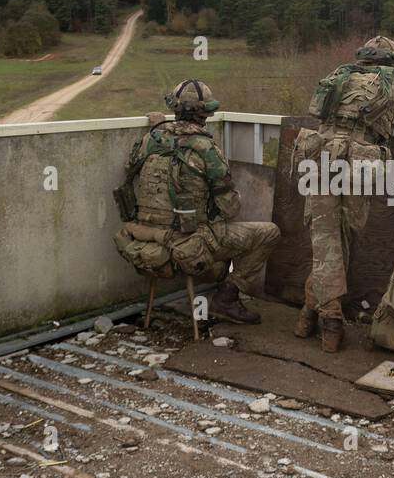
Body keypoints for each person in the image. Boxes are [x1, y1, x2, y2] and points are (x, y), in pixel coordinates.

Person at [294, 36, 394, 352]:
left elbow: (318, 110)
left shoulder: (338, 74)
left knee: (327, 236)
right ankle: (331, 319)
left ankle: (309, 311)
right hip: (360, 158)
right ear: (393, 59)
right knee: (339, 236)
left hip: (320, 153)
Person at [114, 80, 279, 324]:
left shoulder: (150, 140)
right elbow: (230, 209)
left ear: (175, 108)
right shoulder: (206, 149)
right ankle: (226, 299)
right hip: (188, 244)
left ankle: (216, 278)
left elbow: (131, 171)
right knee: (269, 233)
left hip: (143, 239)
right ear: (205, 113)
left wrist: (157, 126)